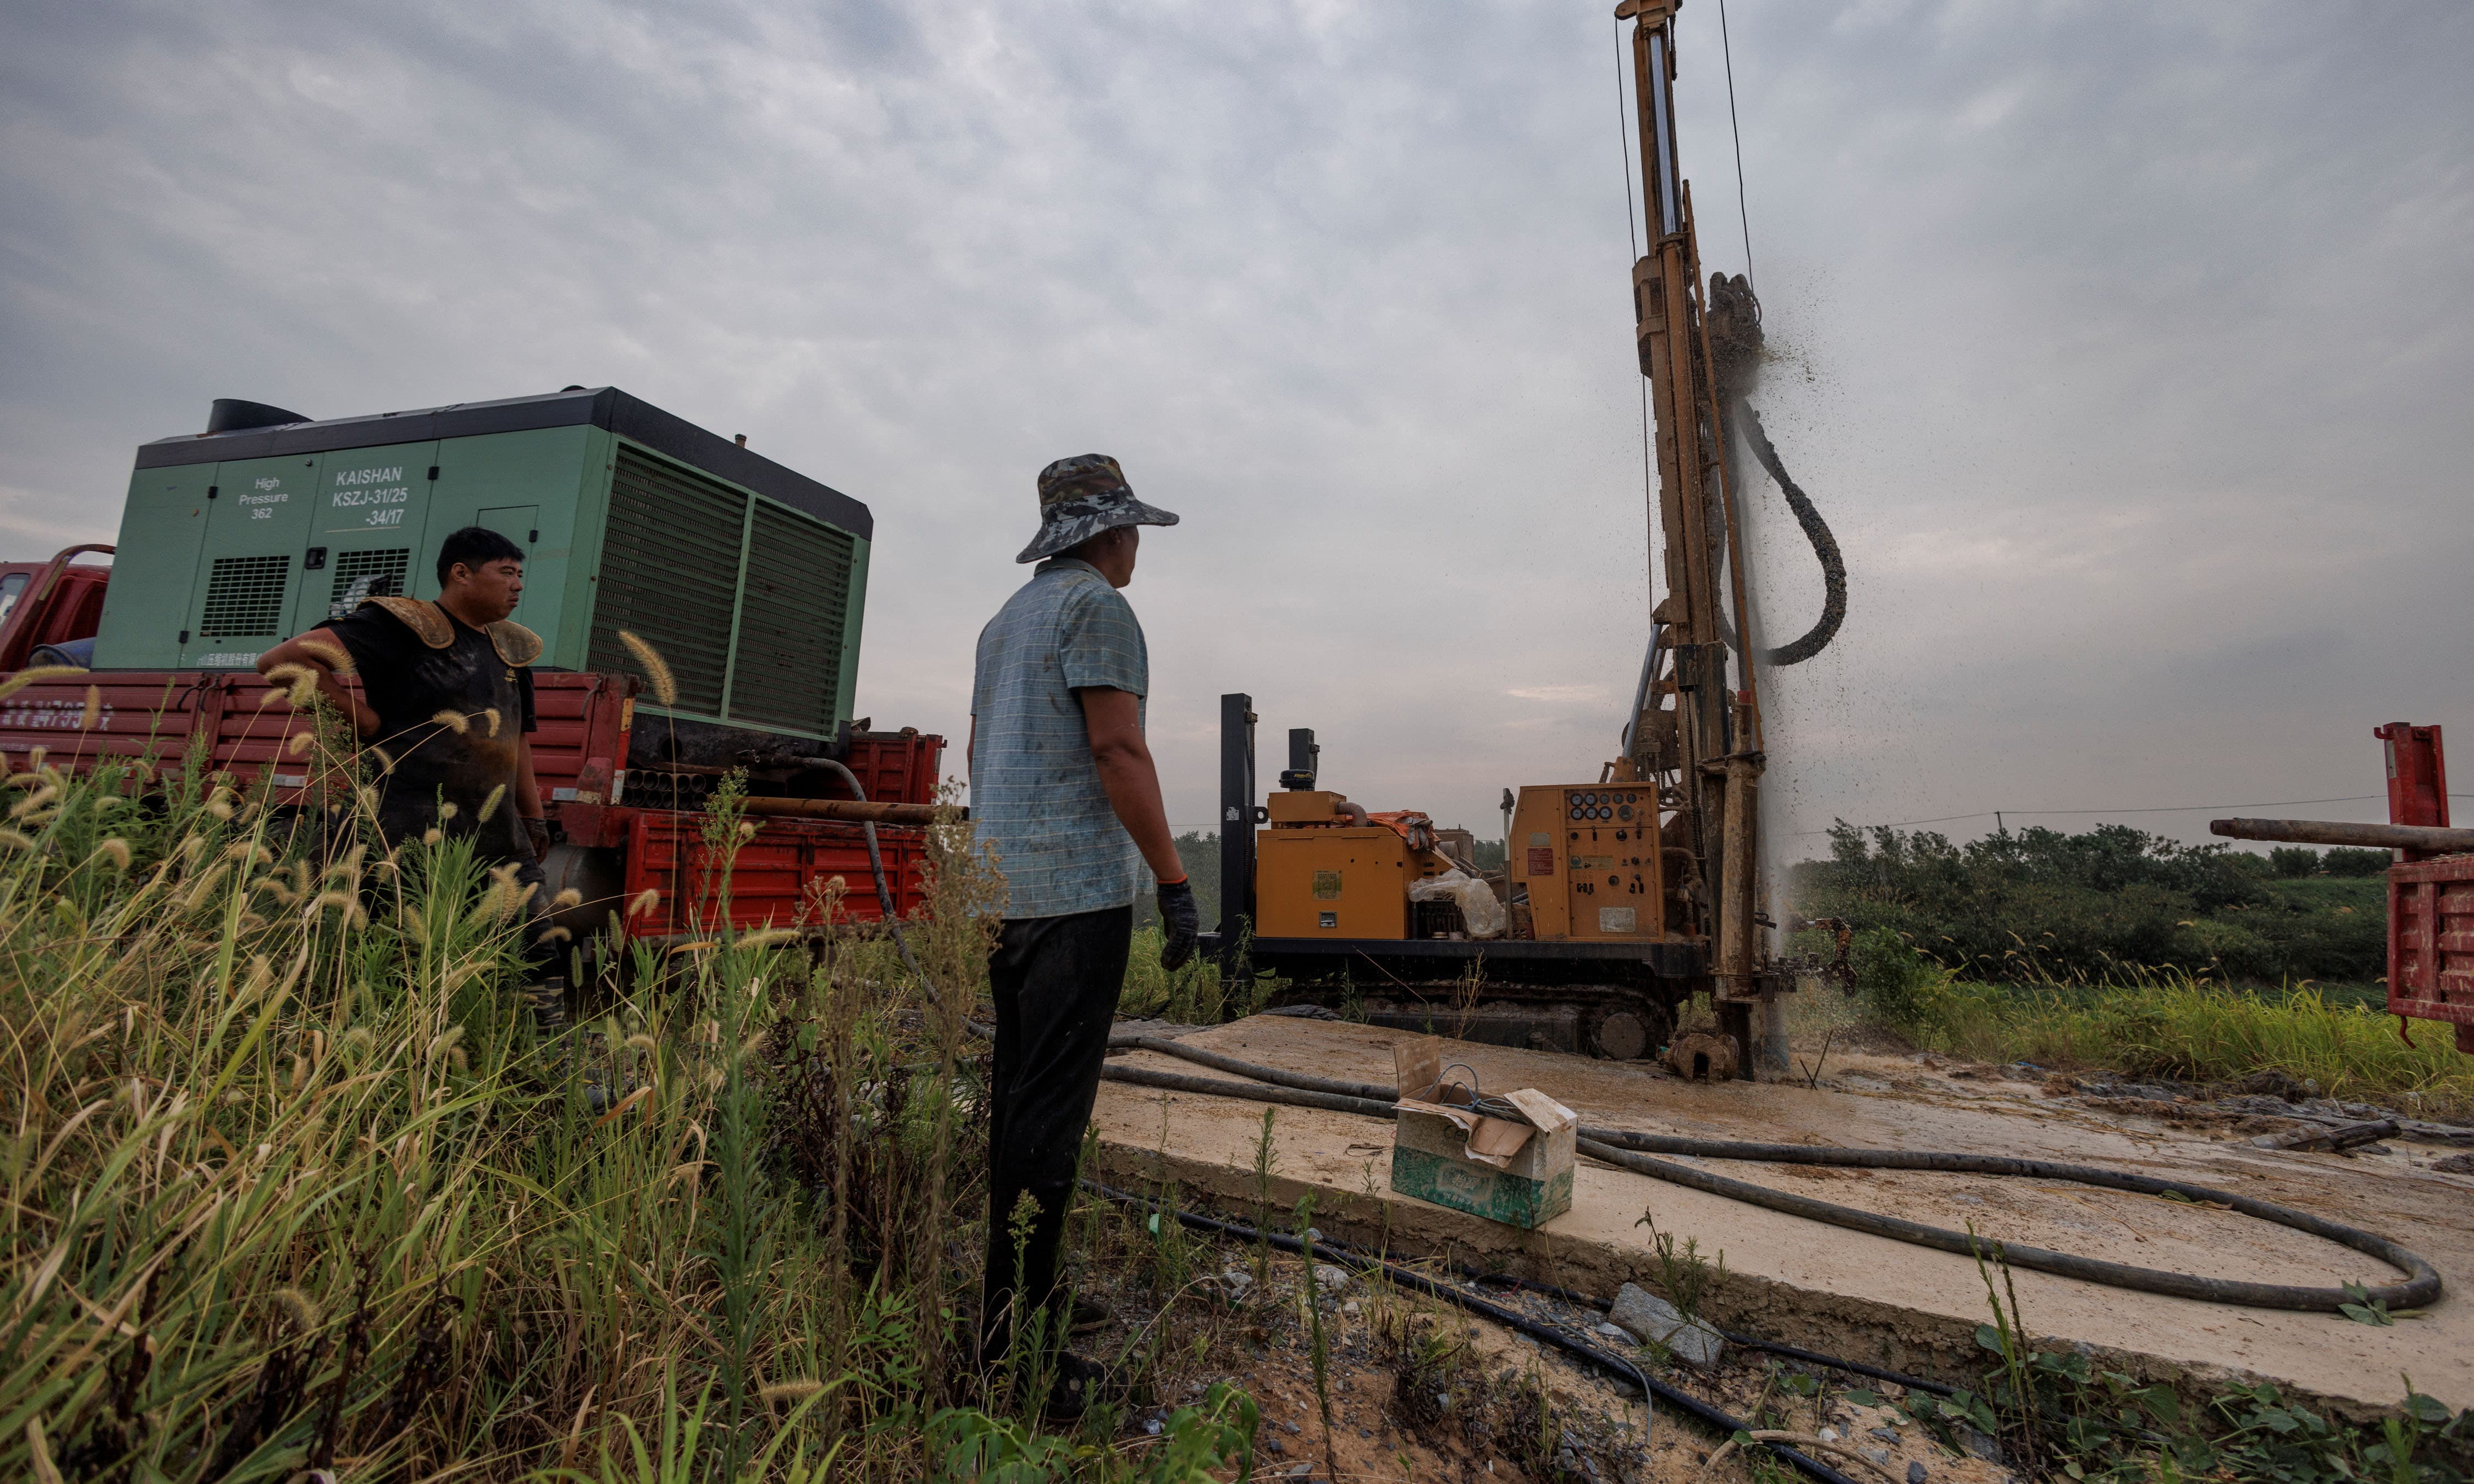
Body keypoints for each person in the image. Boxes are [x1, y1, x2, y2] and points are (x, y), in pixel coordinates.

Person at [968, 453, 1200, 1415]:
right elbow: (1117, 747)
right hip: (1072, 900)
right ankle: (1018, 1356)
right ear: (1109, 533)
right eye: (1132, 530)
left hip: (1003, 897)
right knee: (1050, 1123)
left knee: (1020, 1104)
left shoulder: (1005, 621)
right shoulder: (1098, 610)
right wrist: (1175, 883)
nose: (1137, 546)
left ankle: (1025, 1300)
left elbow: (980, 751)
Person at [256, 526, 566, 1031]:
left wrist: (532, 816)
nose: (518, 585)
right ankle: (389, 1049)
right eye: (507, 573)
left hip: (496, 832)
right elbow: (280, 660)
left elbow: (517, 741)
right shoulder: (402, 625)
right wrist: (365, 724)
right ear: (461, 573)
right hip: (403, 828)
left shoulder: (510, 647)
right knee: (398, 953)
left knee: (535, 947)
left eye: (520, 575)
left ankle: (546, 1055)